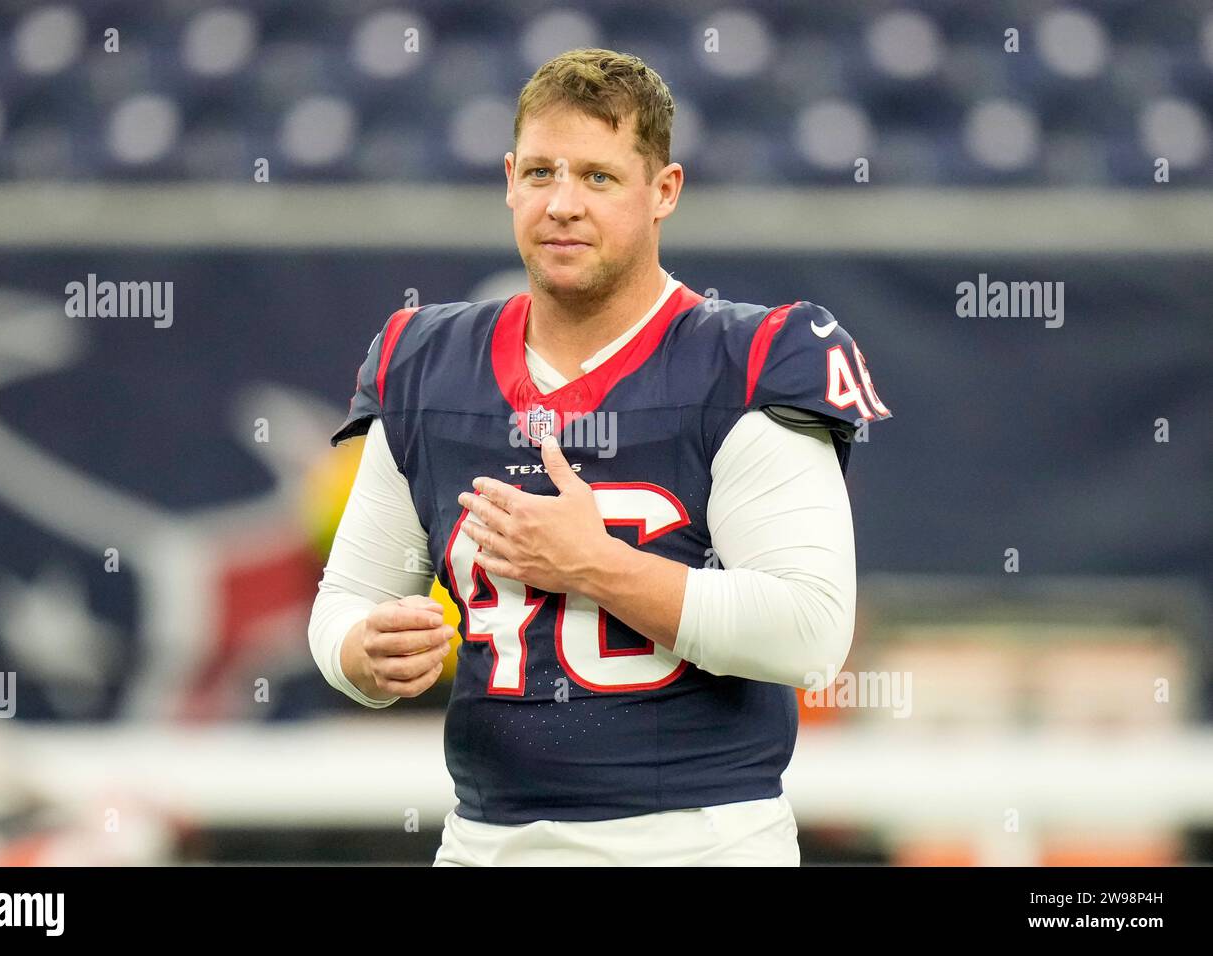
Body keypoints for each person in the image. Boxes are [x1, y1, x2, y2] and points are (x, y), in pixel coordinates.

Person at [309, 48, 891, 866]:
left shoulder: (749, 357)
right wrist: (359, 655)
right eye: (542, 172)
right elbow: (344, 602)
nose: (563, 204)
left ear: (664, 193)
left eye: (599, 177)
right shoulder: (423, 362)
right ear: (509, 180)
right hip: (485, 841)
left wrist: (594, 565)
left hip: (700, 841)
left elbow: (808, 634)